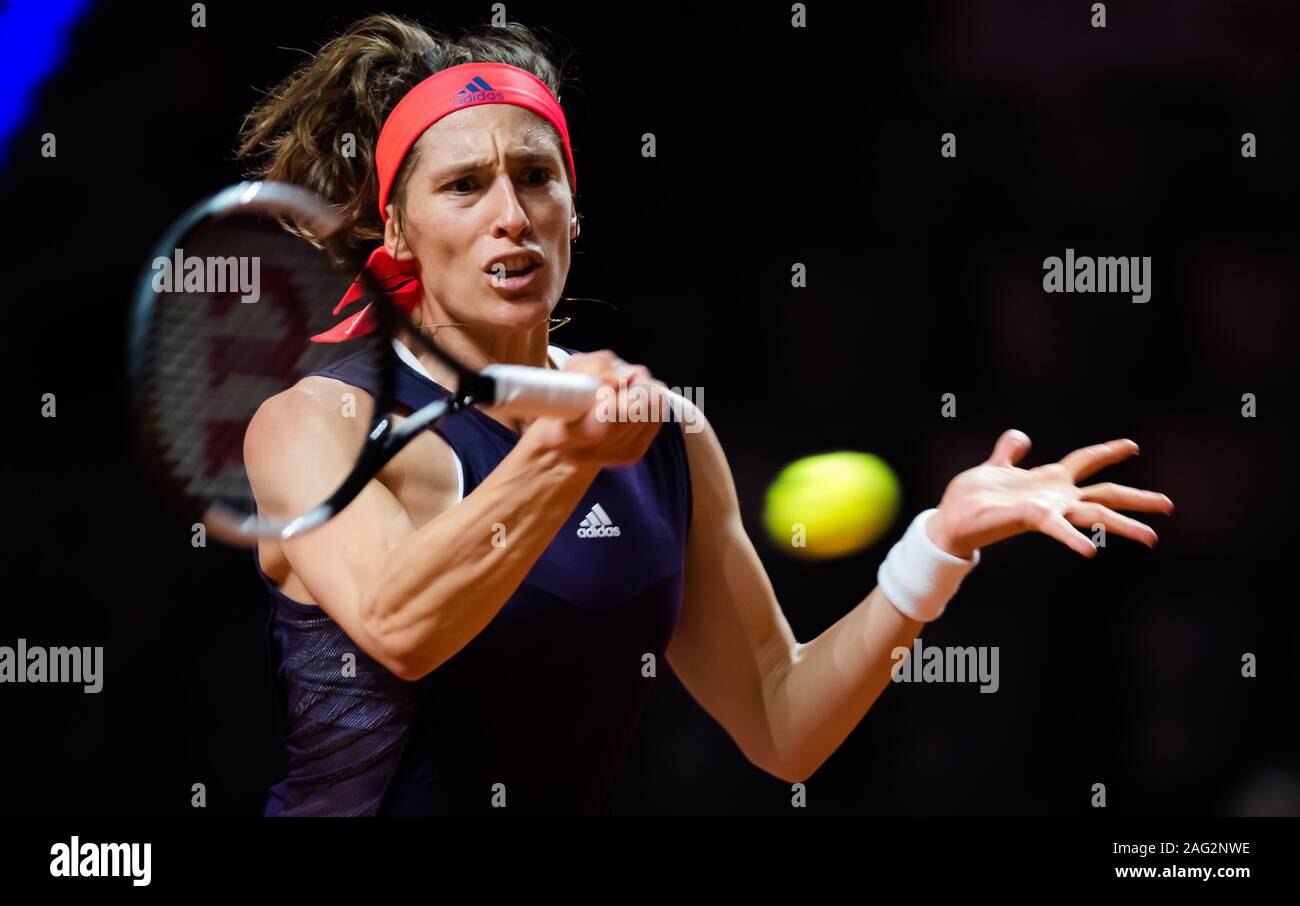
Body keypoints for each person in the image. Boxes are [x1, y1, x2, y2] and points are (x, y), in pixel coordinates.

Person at [238, 14, 1175, 815]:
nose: (510, 214)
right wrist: (562, 458)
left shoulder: (667, 441)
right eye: (462, 186)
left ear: (575, 209)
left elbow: (780, 721)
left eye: (535, 176)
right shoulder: (315, 424)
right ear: (397, 227)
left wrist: (940, 544)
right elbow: (400, 628)